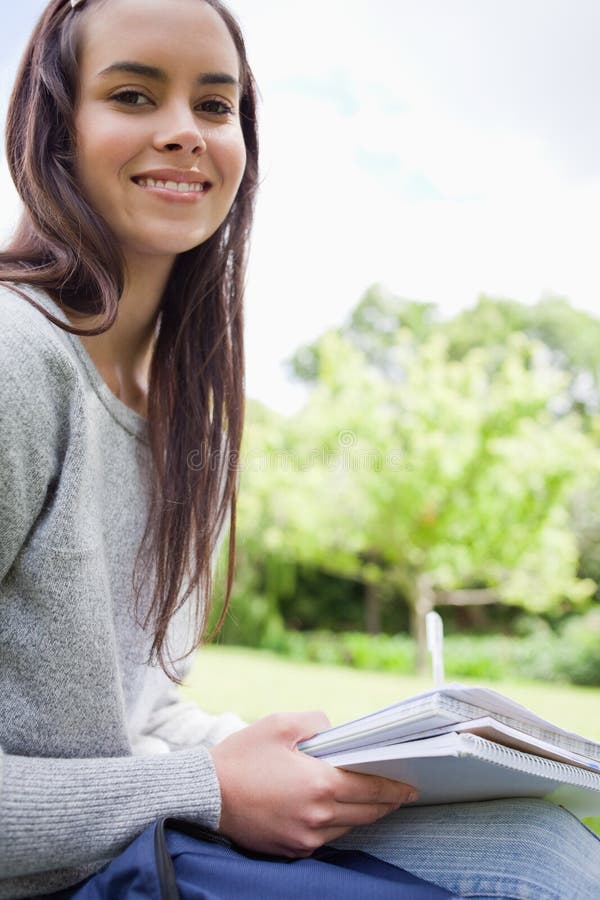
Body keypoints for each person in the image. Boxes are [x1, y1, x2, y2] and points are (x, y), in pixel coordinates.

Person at [0, 1, 598, 898]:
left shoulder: (187, 415)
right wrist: (209, 786)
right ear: (56, 132)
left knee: (541, 844)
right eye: (132, 95)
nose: (183, 133)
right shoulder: (17, 360)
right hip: (62, 876)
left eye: (214, 105)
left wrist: (312, 764)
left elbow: (141, 709)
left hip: (132, 841)